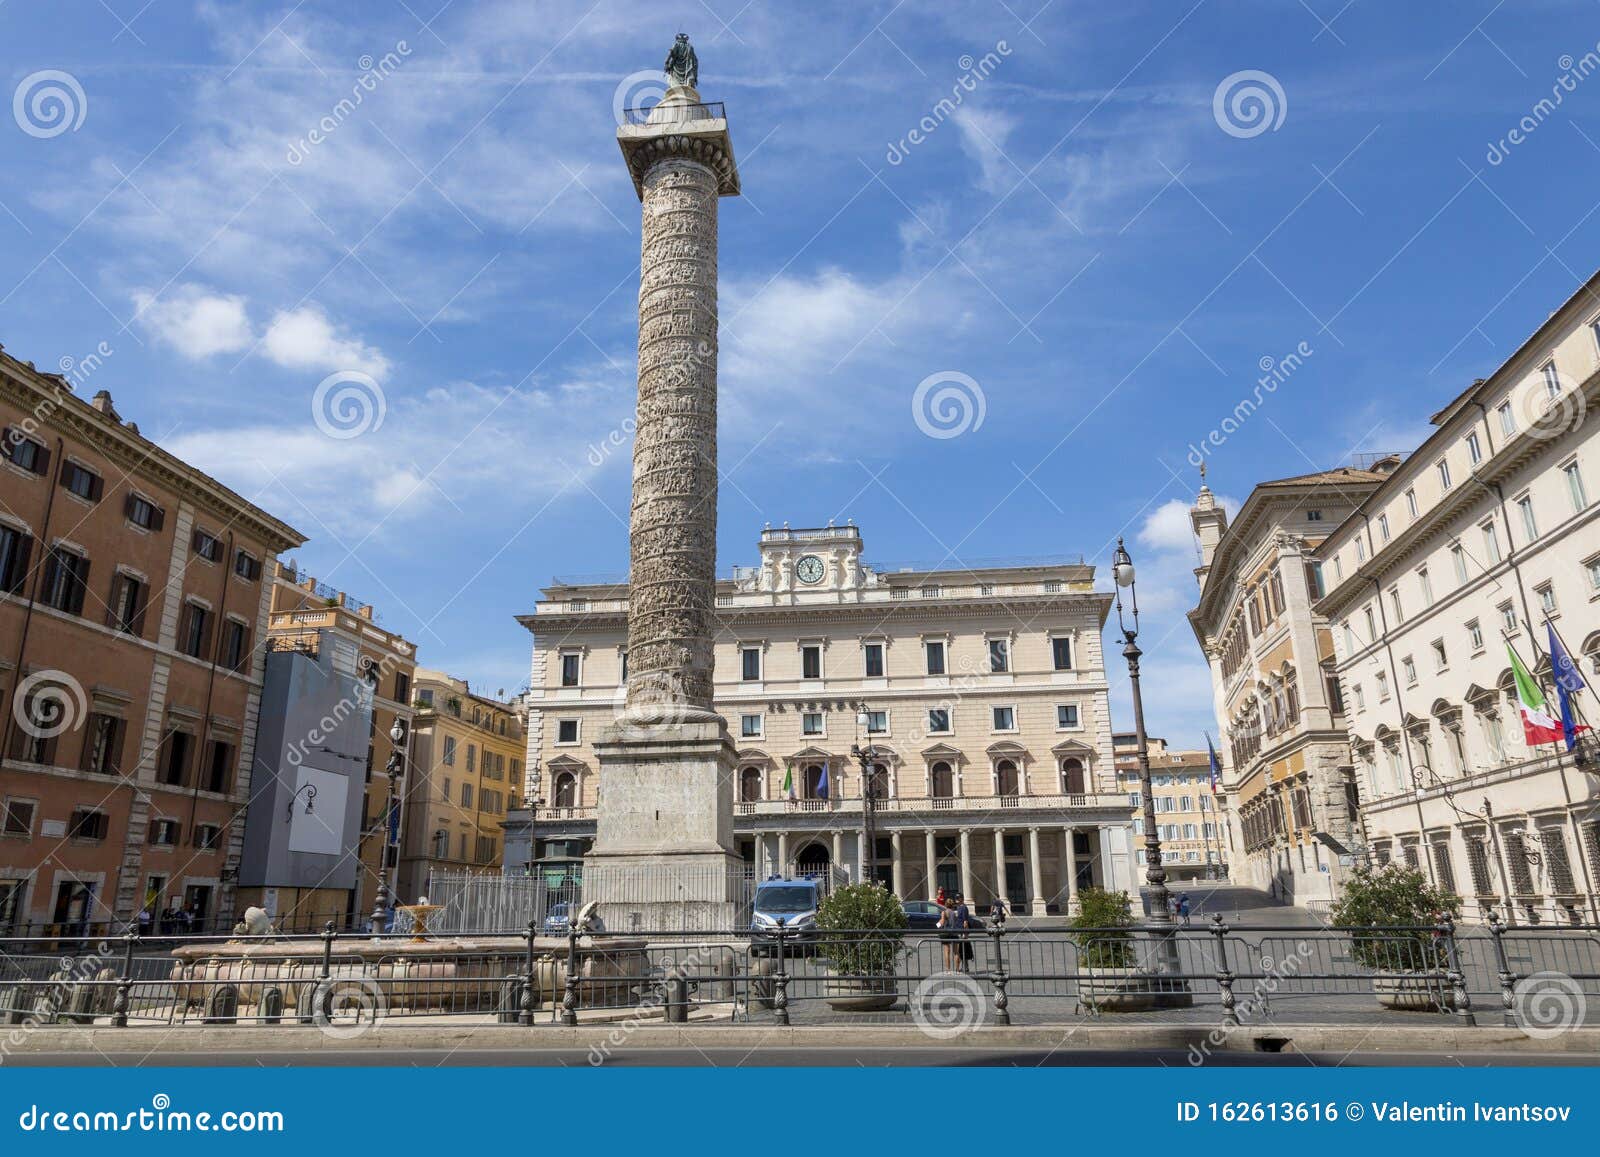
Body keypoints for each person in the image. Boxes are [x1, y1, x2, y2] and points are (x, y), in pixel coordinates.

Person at [953, 893, 975, 972]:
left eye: (958, 898)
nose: (957, 900)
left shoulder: (964, 908)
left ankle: (965, 967)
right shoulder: (959, 907)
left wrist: (965, 933)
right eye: (956, 898)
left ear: (962, 899)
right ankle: (965, 966)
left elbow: (965, 921)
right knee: (962, 949)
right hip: (959, 929)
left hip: (962, 930)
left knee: (963, 949)